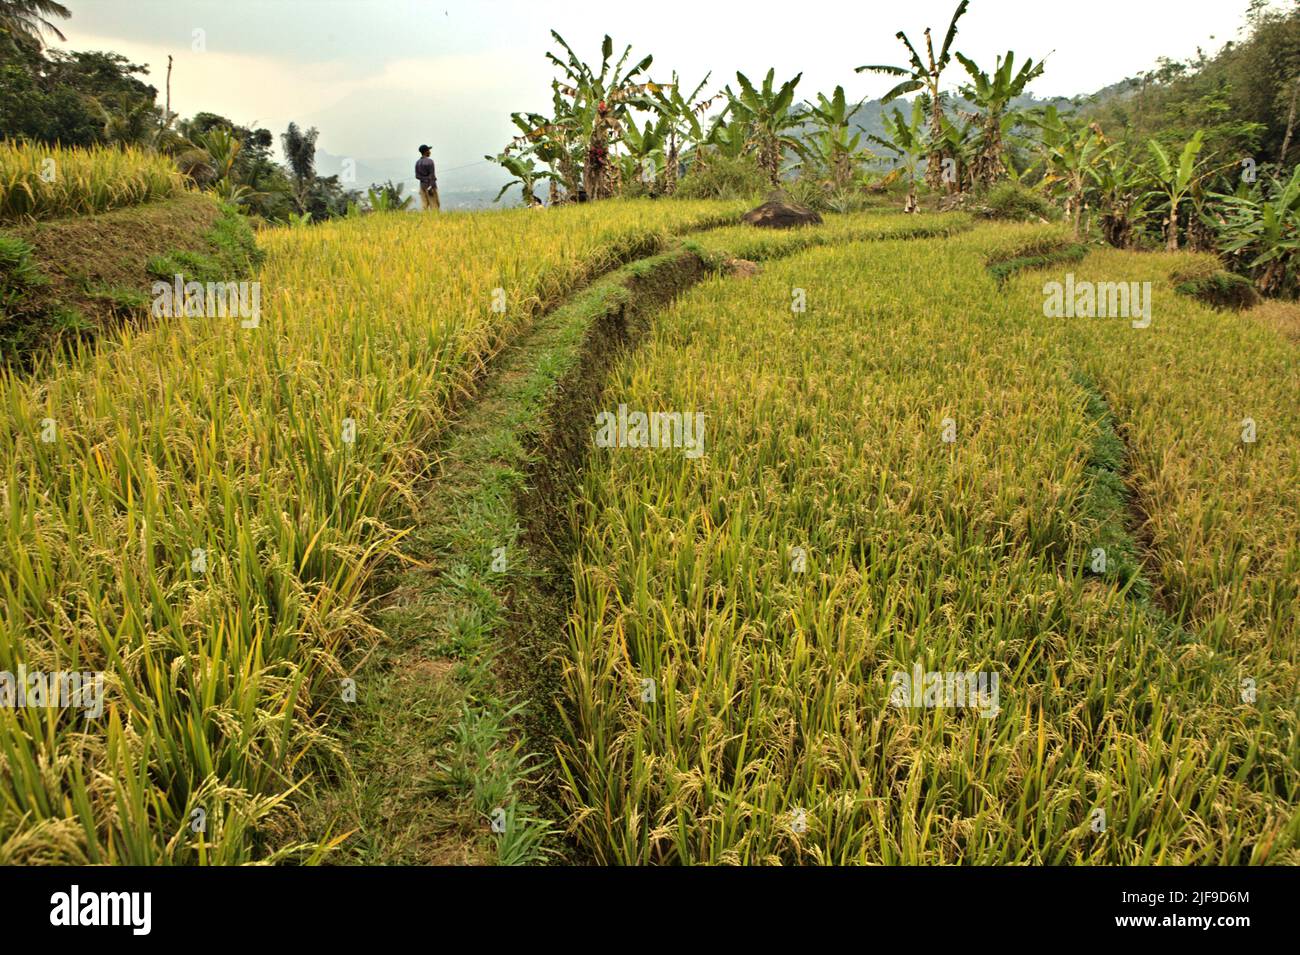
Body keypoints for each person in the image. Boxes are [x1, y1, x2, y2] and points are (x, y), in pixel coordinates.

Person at [415, 144, 439, 212]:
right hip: (430, 186)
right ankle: (435, 220)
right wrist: (431, 186)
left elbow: (417, 176)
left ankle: (424, 219)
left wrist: (424, 179)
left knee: (424, 205)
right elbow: (432, 175)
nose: (430, 152)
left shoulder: (417, 162)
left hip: (422, 186)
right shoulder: (430, 161)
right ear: (426, 152)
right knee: (434, 205)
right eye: (429, 150)